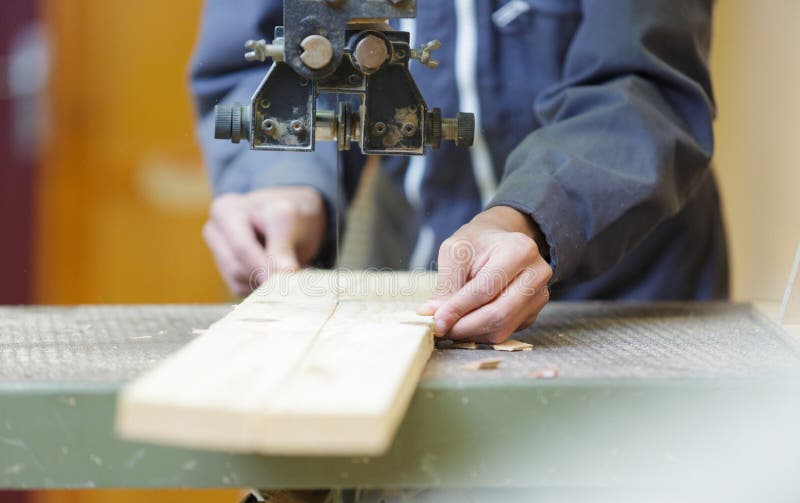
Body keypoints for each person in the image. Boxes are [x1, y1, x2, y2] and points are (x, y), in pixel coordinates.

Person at [190, 0, 728, 343]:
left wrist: (535, 215)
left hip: (625, 292)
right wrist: (282, 180)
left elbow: (640, 84)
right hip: (413, 268)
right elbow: (265, 52)